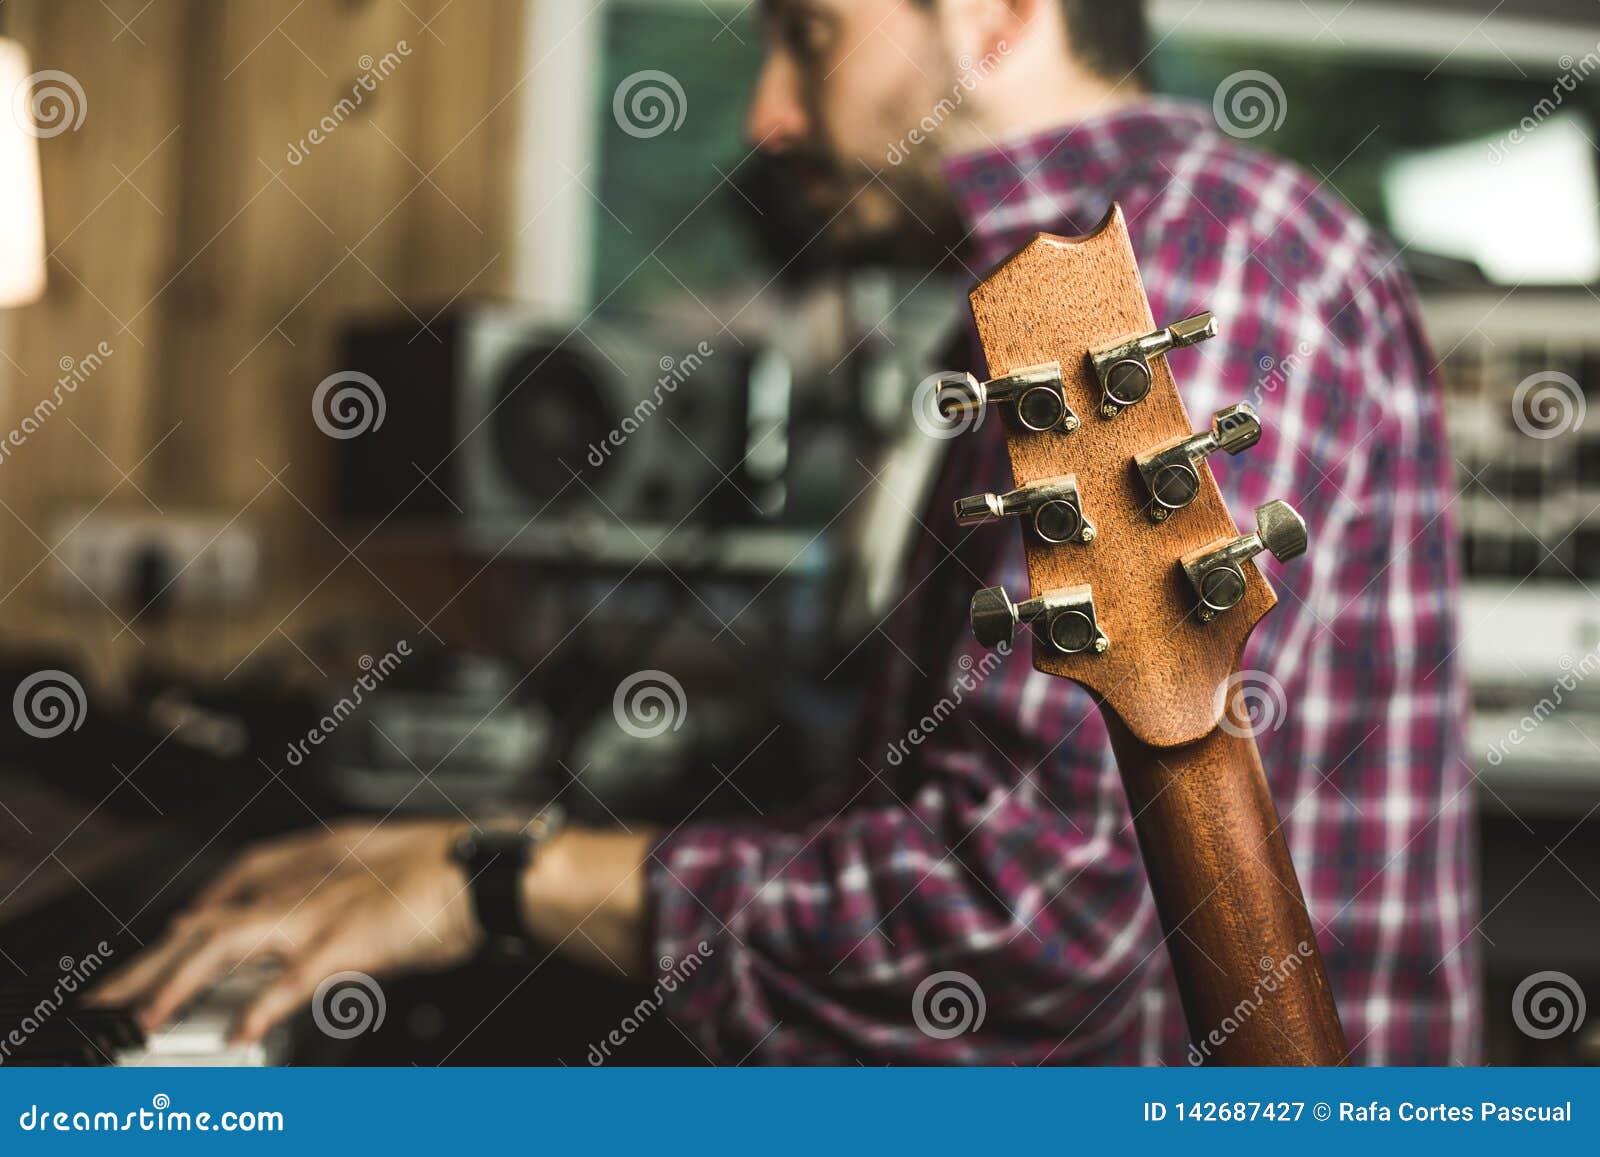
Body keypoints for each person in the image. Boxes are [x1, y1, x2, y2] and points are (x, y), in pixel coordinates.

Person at [94, 0, 1479, 1065]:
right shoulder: (1058, 282)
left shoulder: (1156, 271)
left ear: (995, 20)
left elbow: (1032, 917)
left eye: (808, 35)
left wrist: (498, 879)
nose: (764, 112)